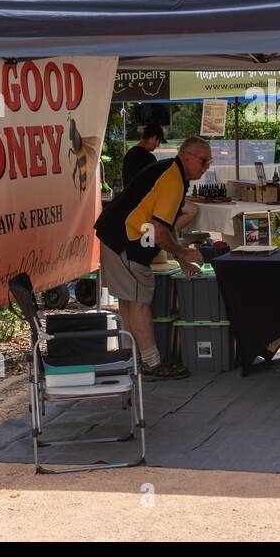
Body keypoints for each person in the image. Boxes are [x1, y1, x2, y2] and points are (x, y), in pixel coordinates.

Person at [95, 136, 213, 379]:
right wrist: (183, 252)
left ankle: (130, 360)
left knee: (128, 300)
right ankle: (151, 363)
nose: (206, 167)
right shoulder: (173, 179)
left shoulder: (171, 172)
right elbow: (159, 232)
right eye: (203, 161)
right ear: (187, 156)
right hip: (125, 240)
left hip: (116, 235)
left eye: (208, 162)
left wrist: (180, 258)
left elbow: (164, 224)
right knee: (138, 301)